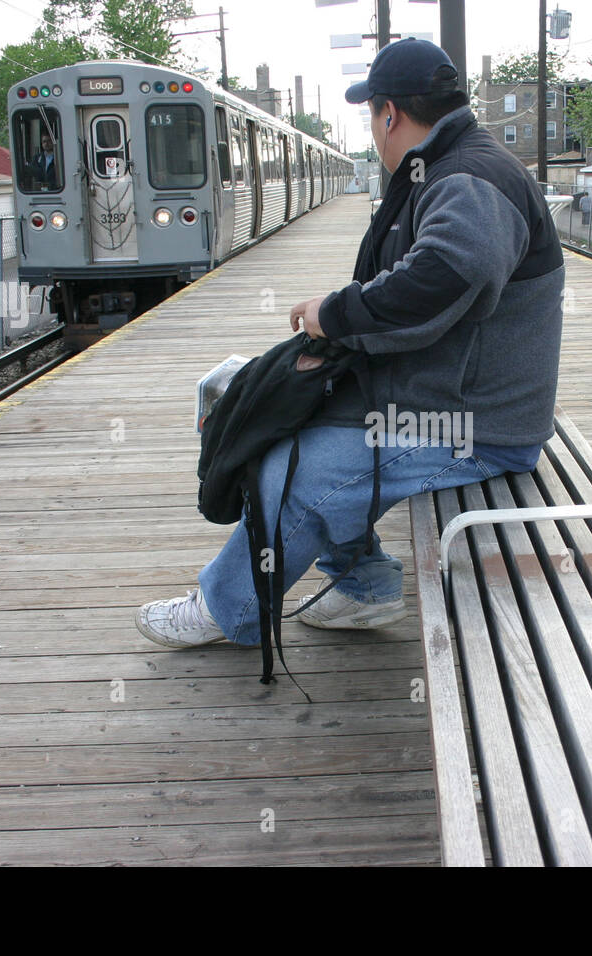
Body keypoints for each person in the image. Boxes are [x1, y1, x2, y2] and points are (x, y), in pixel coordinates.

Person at [136, 38, 565, 650]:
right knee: (277, 415)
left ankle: (229, 611)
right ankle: (363, 585)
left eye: (372, 115)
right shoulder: (449, 167)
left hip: (477, 426)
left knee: (299, 469)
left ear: (388, 113)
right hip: (441, 393)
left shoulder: (468, 178)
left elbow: (444, 274)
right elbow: (416, 278)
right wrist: (335, 318)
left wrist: (333, 314)